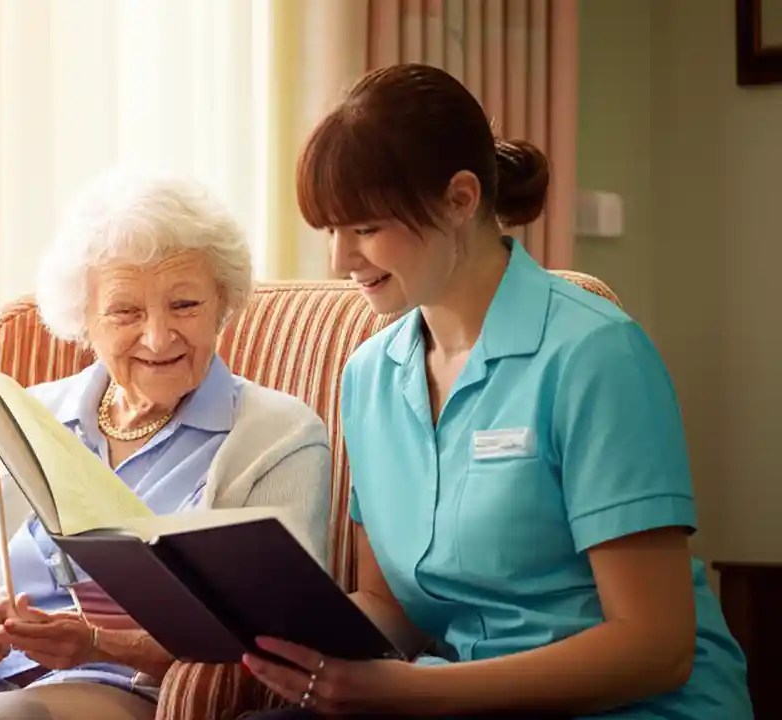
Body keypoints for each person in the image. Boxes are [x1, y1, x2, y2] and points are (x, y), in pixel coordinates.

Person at [240, 64, 752, 718]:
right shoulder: (368, 376)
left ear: (459, 199)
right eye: (330, 232)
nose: (341, 260)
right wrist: (266, 631)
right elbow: (387, 607)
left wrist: (414, 691)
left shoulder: (596, 354)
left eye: (364, 228)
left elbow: (654, 647)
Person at [0, 171, 333, 720]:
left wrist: (98, 643)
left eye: (185, 305)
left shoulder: (275, 436)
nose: (159, 337)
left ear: (223, 304)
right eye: (126, 311)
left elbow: (271, 635)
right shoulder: (28, 417)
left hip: (126, 689)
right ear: (83, 320)